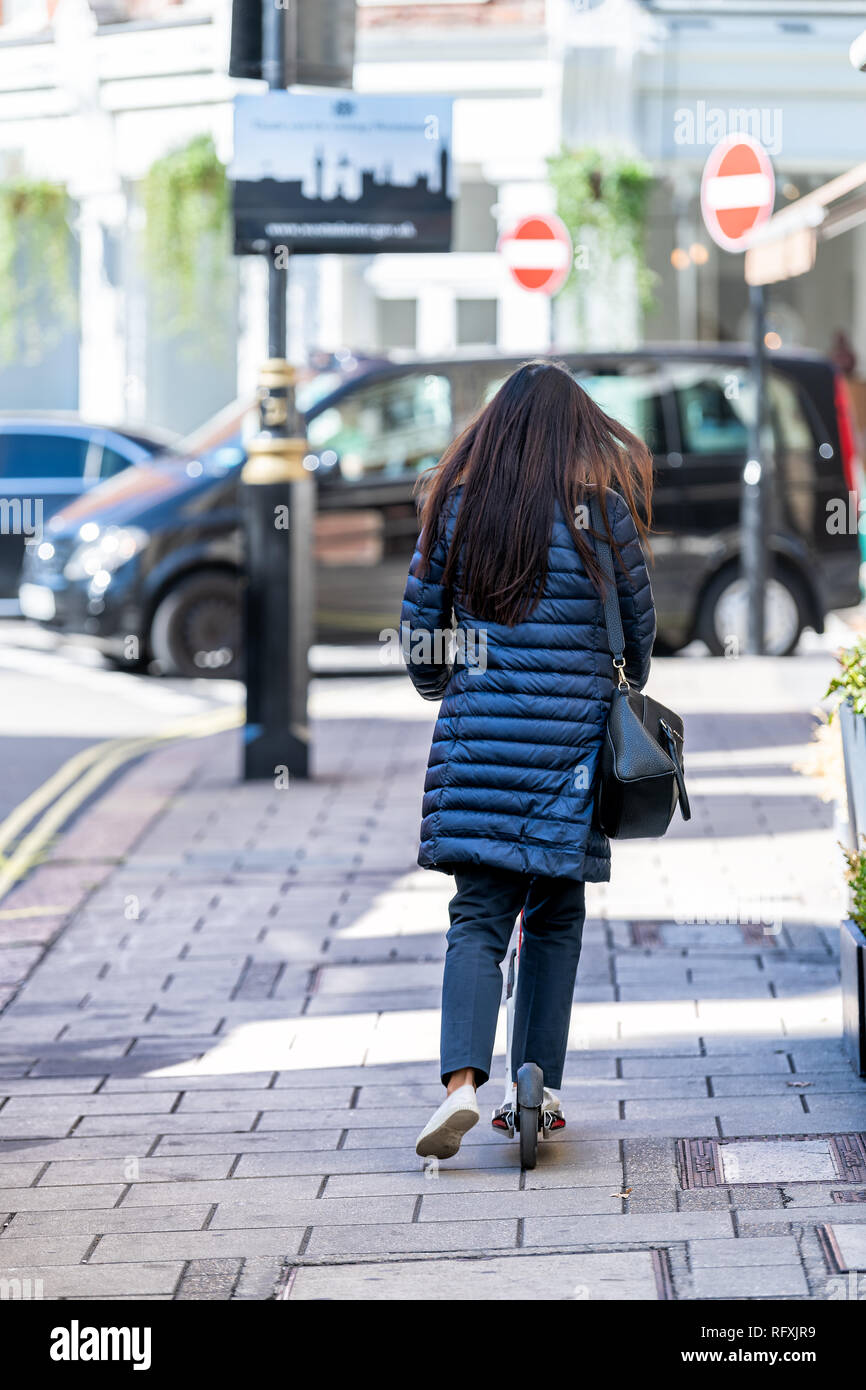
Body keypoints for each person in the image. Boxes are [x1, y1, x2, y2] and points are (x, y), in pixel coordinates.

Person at [400, 359, 656, 1160]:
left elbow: (421, 642)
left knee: (477, 918)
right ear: (579, 434)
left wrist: (451, 680)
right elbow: (638, 648)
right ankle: (535, 1084)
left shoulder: (460, 510)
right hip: (572, 758)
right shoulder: (603, 516)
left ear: (494, 430)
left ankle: (460, 1088)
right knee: (555, 917)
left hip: (481, 748)